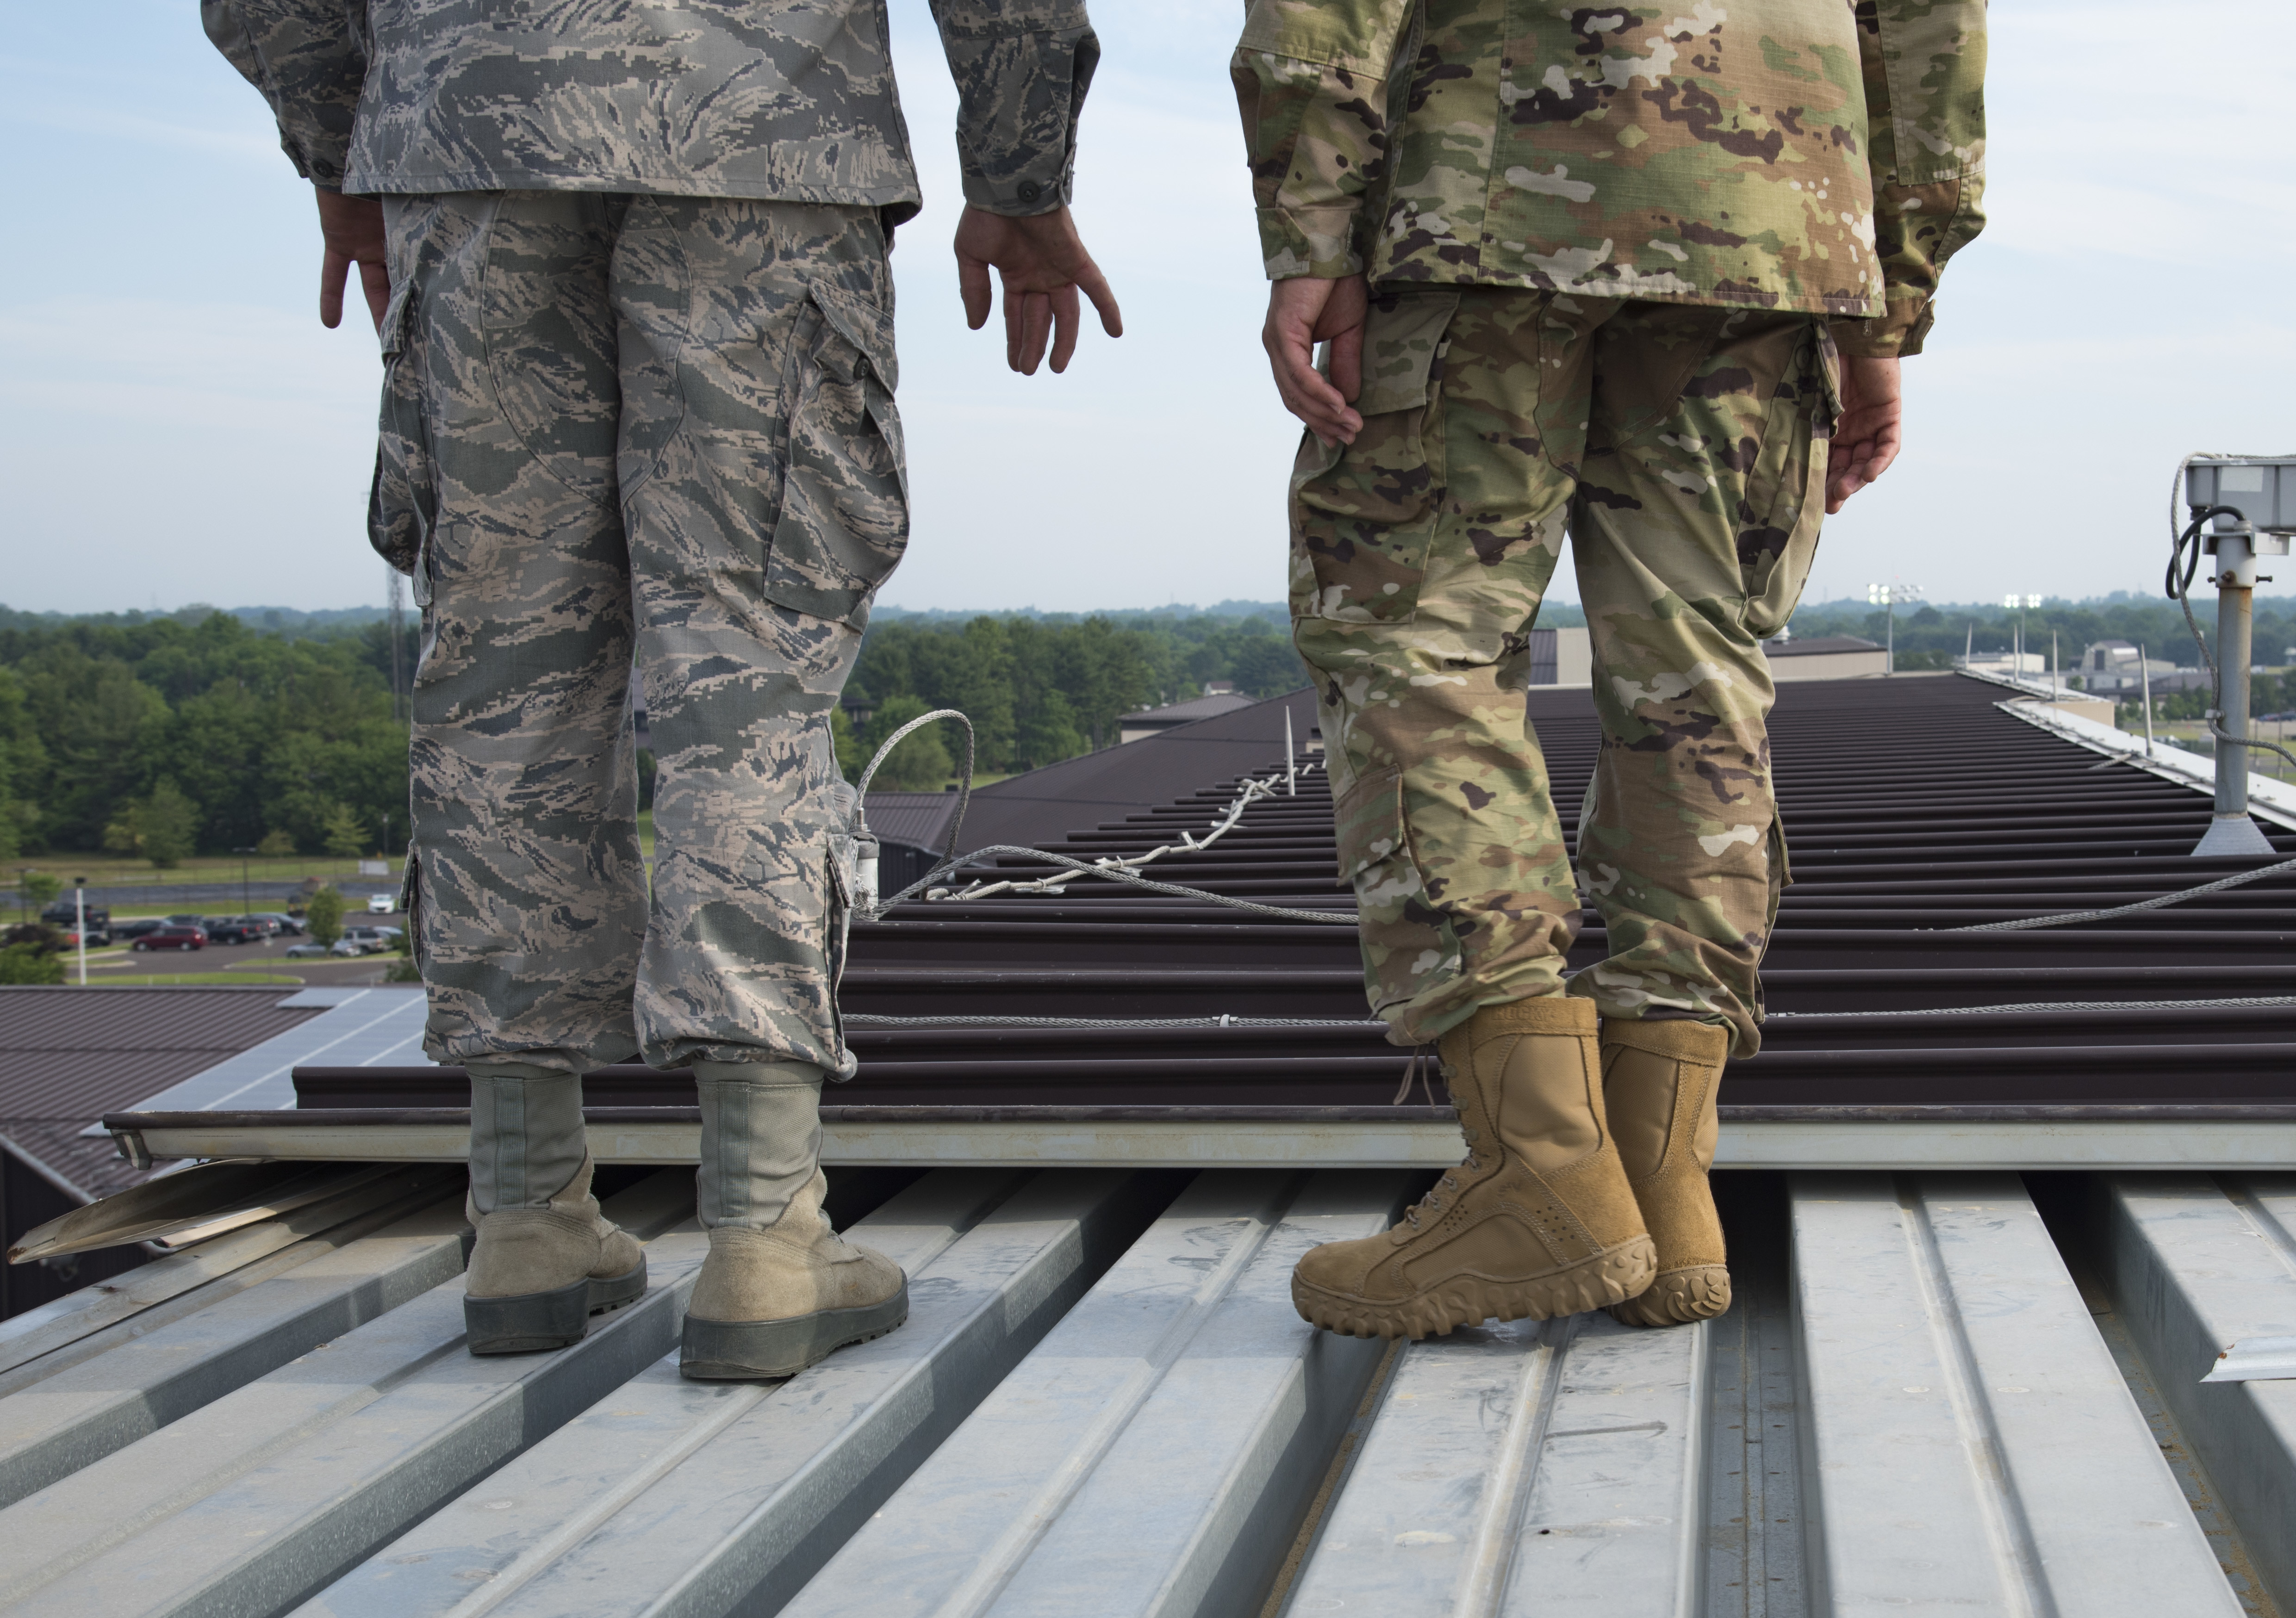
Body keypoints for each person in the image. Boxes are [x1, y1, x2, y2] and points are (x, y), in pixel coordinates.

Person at [206, 0, 1120, 1377]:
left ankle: (522, 1216)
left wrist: (354, 159)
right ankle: (762, 1240)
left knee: (501, 684)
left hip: (468, 150)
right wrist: (1020, 179)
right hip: (761, 138)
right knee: (741, 674)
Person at [1233, 0, 1986, 1339]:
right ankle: (1662, 1183)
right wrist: (1890, 297)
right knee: (1697, 672)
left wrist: (1310, 226)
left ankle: (1548, 1175)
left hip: (1492, 182)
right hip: (1775, 200)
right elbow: (1932, 23)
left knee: (1421, 642)